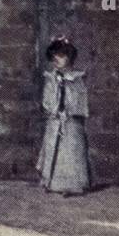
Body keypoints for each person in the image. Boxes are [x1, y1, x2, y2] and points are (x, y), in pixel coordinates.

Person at [36, 36, 92, 195]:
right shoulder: (51, 78)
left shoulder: (77, 79)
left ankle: (73, 185)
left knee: (70, 150)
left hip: (71, 121)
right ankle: (52, 183)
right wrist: (54, 110)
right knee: (53, 148)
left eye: (61, 56)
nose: (57, 59)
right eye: (54, 56)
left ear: (69, 58)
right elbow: (47, 100)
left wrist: (68, 111)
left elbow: (80, 100)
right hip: (55, 120)